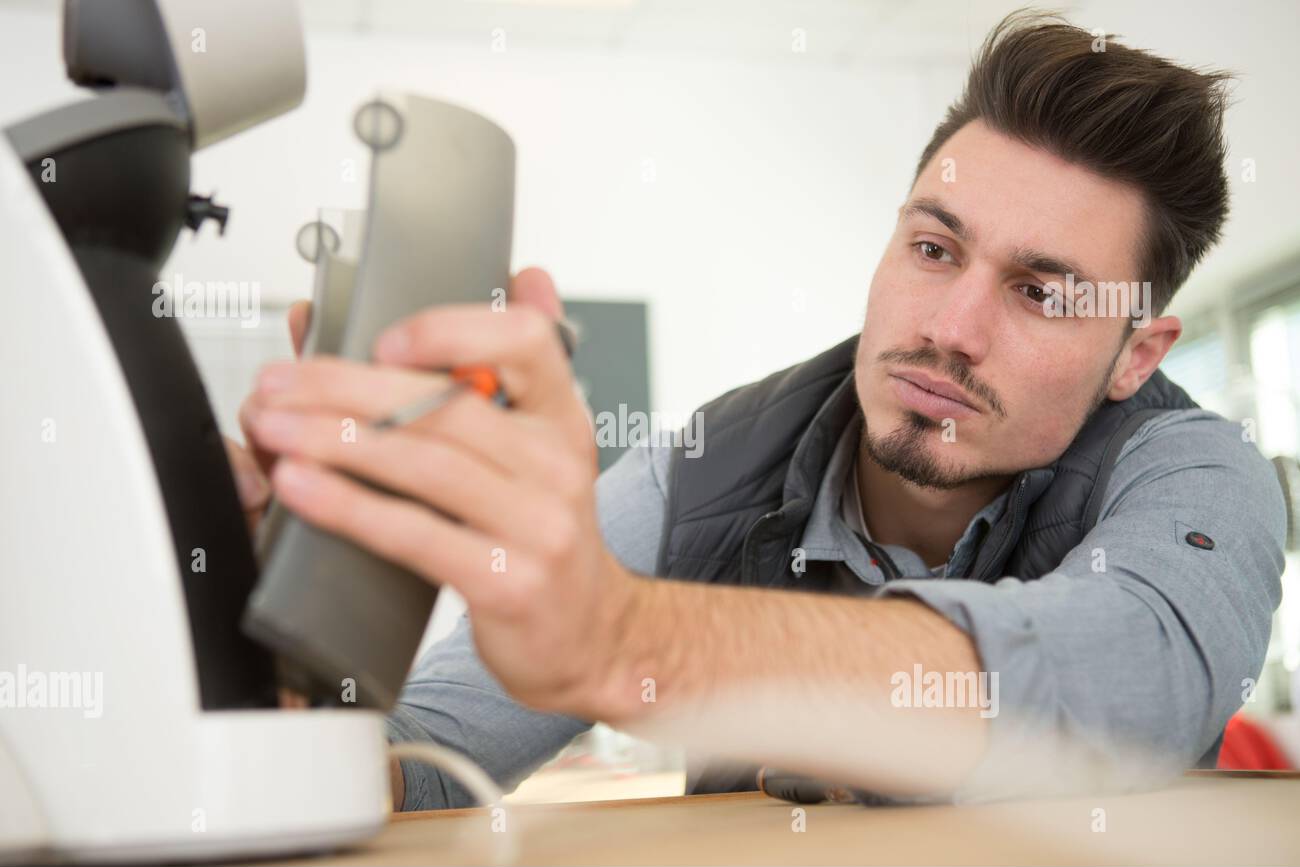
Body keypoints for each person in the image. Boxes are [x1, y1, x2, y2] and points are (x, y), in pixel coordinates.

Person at [228, 11, 1287, 809]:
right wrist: (272, 653)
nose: (952, 326)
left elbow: (1137, 678)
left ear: (1132, 354)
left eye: (1040, 292)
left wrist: (627, 636)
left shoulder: (1194, 468)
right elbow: (431, 766)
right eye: (932, 248)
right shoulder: (702, 466)